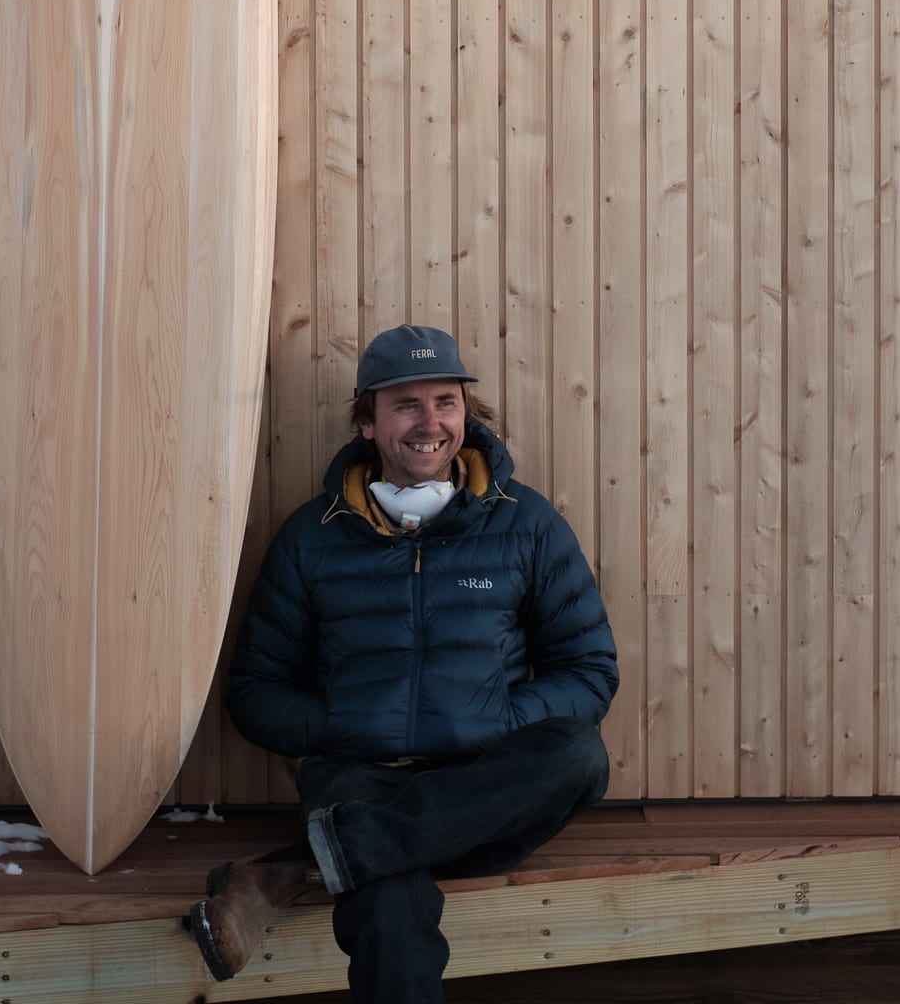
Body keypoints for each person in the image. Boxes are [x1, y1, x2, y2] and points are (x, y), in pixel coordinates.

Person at [188, 324, 617, 1000]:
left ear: (466, 415)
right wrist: (337, 725)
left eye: (445, 402)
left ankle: (303, 866)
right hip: (360, 779)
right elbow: (255, 687)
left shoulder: (524, 524)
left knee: (578, 755)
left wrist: (500, 720)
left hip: (484, 785)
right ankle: (346, 855)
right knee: (390, 909)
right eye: (406, 406)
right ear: (368, 421)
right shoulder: (313, 537)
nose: (430, 424)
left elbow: (588, 667)